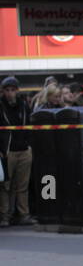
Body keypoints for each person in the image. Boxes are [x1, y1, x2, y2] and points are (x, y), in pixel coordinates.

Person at [0, 76, 34, 227]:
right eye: (7, 90)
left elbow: (29, 127)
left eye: (12, 90)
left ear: (17, 90)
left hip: (24, 149)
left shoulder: (23, 105)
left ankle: (23, 214)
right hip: (8, 151)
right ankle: (5, 215)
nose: (10, 93)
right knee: (5, 186)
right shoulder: (1, 106)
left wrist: (29, 145)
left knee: (22, 186)